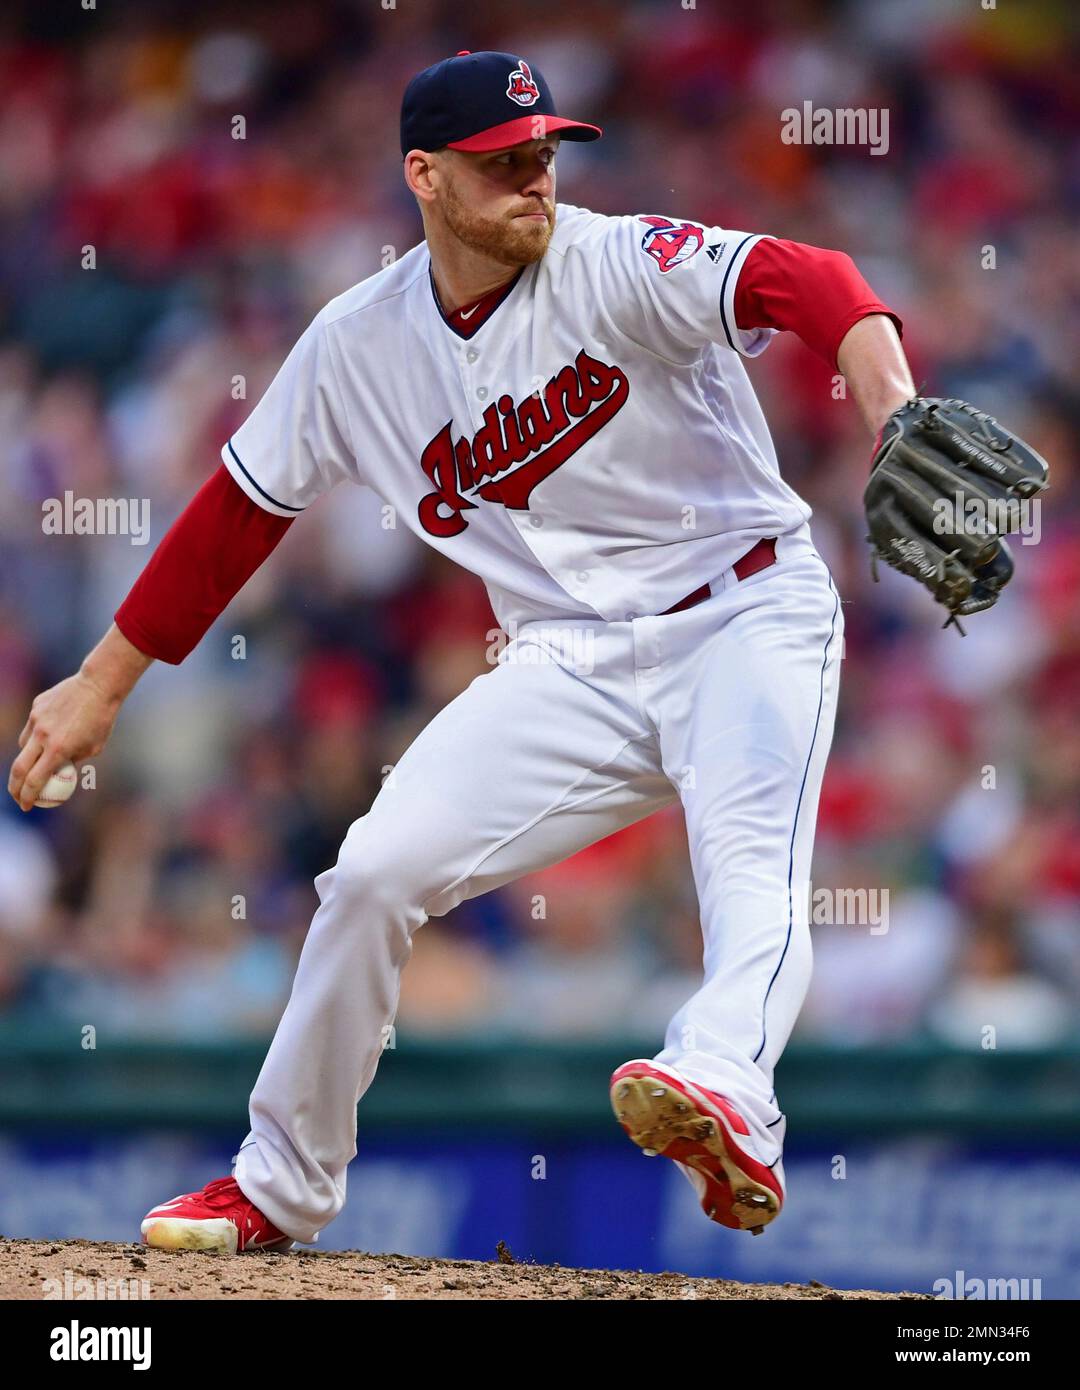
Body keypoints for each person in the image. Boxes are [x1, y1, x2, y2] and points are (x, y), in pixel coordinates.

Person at [8, 51, 915, 1253]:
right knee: (375, 872)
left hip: (747, 614)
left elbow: (811, 280)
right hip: (570, 660)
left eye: (545, 155)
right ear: (425, 179)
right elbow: (237, 512)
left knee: (751, 871)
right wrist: (99, 683)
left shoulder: (614, 259)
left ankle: (726, 1091)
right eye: (504, 165)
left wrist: (892, 405)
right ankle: (278, 1185)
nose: (537, 181)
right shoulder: (357, 345)